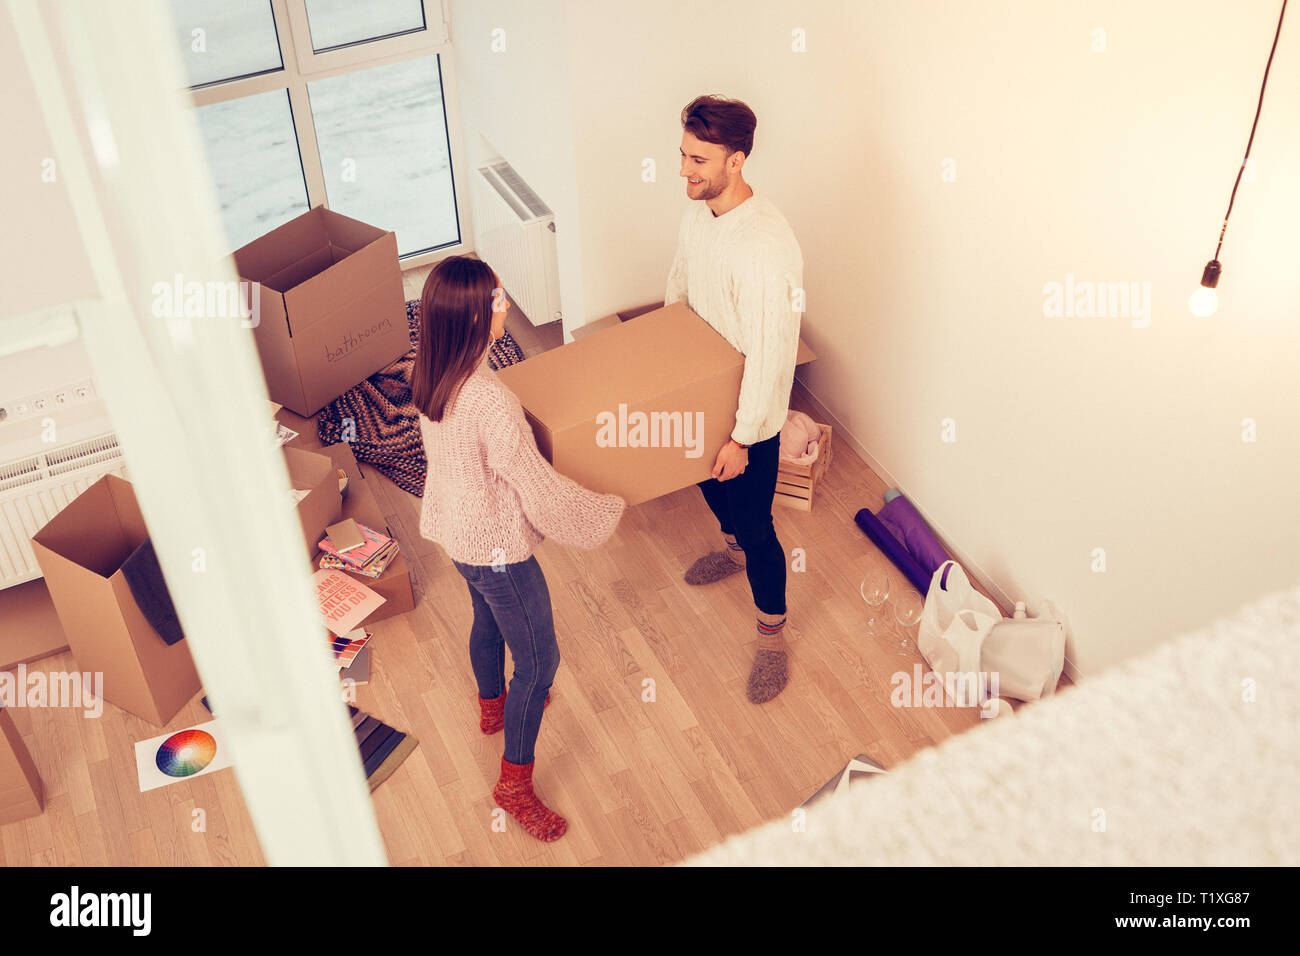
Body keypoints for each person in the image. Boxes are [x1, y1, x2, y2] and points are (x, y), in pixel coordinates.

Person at [412, 256, 625, 842]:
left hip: (459, 536)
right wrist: (605, 510)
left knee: (484, 618)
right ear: (479, 316)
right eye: (499, 296)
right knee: (540, 662)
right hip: (498, 551)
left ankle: (491, 707)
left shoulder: (431, 372)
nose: (507, 300)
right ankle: (514, 783)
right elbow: (539, 489)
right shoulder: (488, 400)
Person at [666, 94, 805, 704]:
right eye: (682, 154)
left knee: (757, 524)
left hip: (750, 416)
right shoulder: (701, 211)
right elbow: (679, 281)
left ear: (737, 160)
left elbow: (773, 355)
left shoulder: (766, 249)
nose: (684, 170)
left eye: (699, 159)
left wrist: (743, 438)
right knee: (702, 481)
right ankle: (730, 547)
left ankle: (771, 634)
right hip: (703, 389)